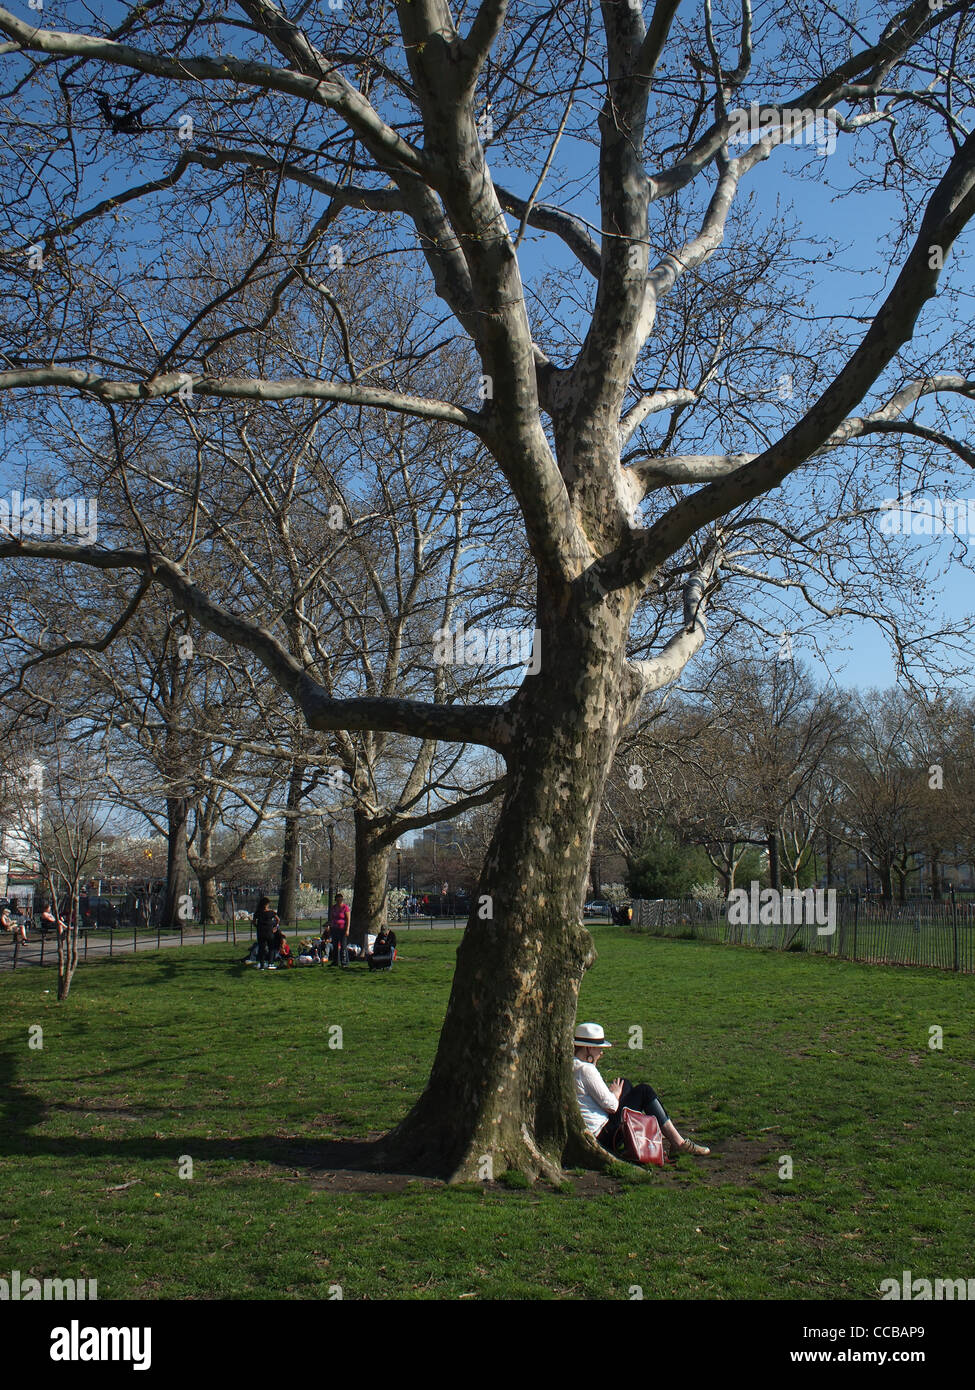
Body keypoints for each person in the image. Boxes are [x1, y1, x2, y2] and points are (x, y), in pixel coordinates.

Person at [572, 1022, 710, 1160]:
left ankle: (641, 1134)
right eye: (598, 1049)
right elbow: (612, 1106)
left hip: (592, 1129)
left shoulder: (572, 1064)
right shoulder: (586, 1070)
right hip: (603, 1134)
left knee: (624, 1083)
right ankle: (679, 1143)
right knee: (644, 1091)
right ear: (588, 1048)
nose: (601, 1053)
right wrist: (616, 1094)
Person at [253, 897, 279, 971]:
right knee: (271, 947)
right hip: (269, 932)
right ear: (267, 904)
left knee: (262, 949)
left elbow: (254, 922)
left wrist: (257, 926)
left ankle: (262, 965)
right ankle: (270, 963)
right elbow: (278, 919)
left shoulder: (258, 912)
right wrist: (276, 927)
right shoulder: (271, 912)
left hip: (261, 932)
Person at [327, 892, 350, 968]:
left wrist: (347, 929)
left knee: (343, 946)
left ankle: (344, 962)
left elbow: (348, 919)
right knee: (335, 945)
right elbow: (331, 918)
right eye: (337, 900)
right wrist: (330, 927)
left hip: (342, 929)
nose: (339, 901)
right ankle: (335, 961)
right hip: (334, 928)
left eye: (340, 899)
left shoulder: (345, 908)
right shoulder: (333, 908)